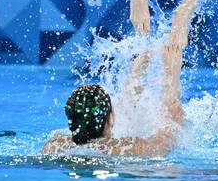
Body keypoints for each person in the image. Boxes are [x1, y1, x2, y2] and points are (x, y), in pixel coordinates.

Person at [41, 50, 183, 156]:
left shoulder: (54, 145)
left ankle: (137, 70)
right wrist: (172, 72)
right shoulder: (127, 147)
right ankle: (138, 67)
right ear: (110, 118)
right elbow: (166, 139)